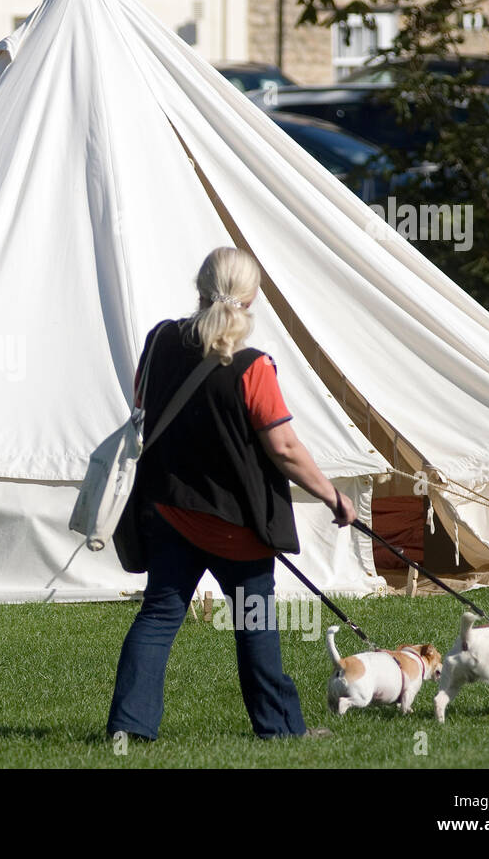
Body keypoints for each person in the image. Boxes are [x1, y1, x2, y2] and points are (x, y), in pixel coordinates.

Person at [107, 246, 356, 742]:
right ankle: (281, 730)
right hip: (235, 525)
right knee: (254, 623)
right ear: (251, 297)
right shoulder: (252, 365)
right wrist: (333, 496)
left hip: (167, 509)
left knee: (157, 617)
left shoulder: (159, 342)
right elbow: (284, 448)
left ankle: (128, 730)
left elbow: (140, 404)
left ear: (200, 287)